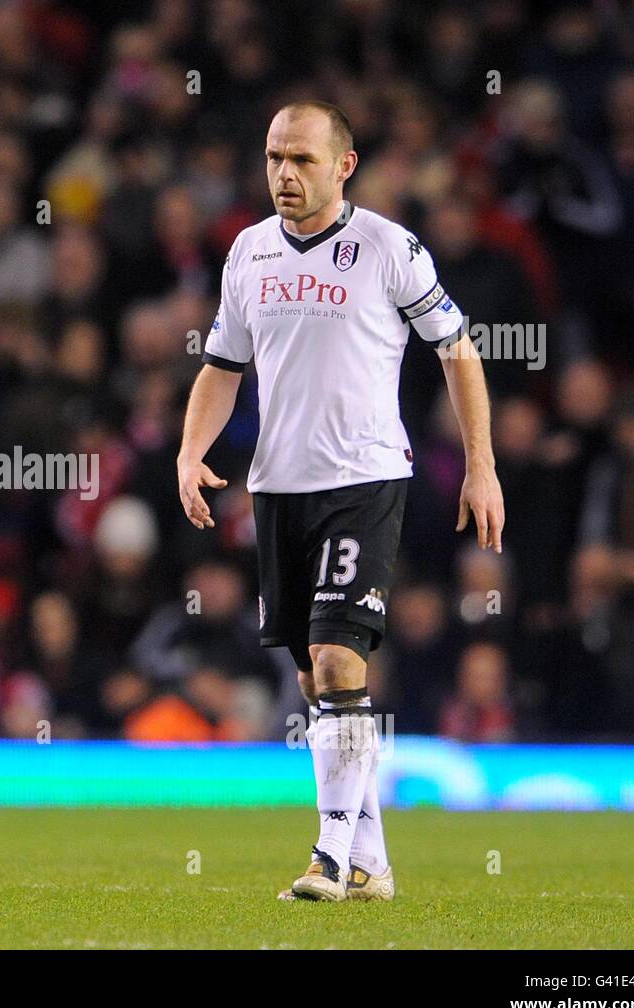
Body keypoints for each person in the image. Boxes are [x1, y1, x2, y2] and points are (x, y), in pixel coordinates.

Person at [176, 101, 504, 902]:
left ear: (344, 165)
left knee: (337, 660)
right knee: (314, 683)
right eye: (274, 157)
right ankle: (372, 863)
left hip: (364, 478)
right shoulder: (249, 253)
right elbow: (222, 364)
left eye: (303, 160)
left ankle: (327, 855)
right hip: (277, 487)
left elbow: (458, 350)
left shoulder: (389, 249)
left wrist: (481, 465)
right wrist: (190, 451)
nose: (285, 174)